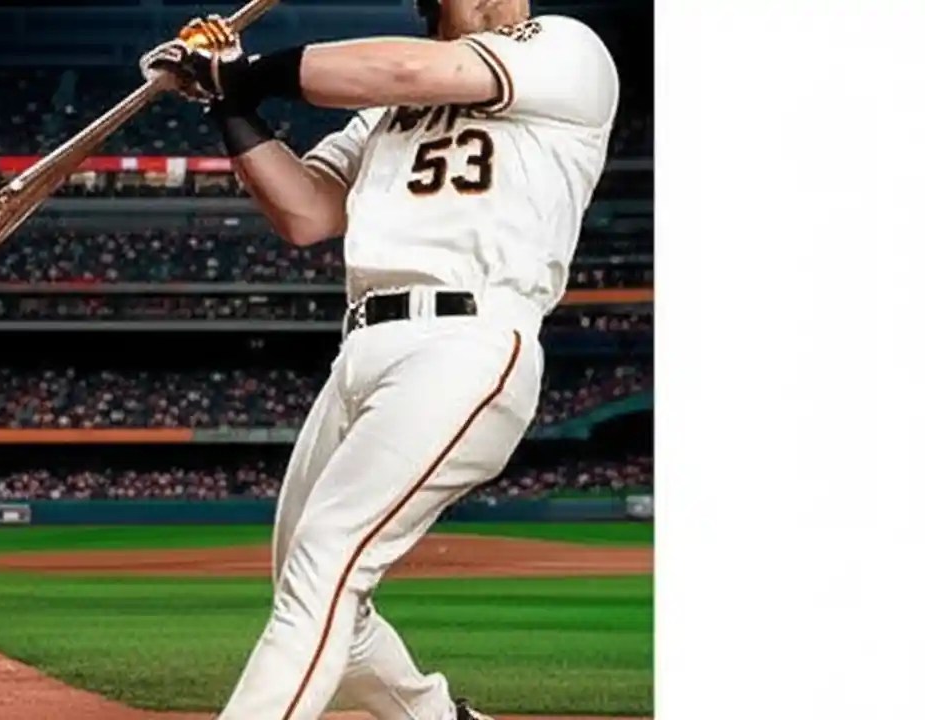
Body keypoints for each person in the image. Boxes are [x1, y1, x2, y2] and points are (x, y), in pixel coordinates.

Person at [140, 1, 619, 718]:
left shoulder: (564, 49)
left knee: (327, 560)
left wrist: (251, 69)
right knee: (313, 583)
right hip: (361, 349)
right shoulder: (385, 116)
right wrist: (228, 102)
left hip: (468, 338)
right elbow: (306, 211)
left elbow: (404, 65)